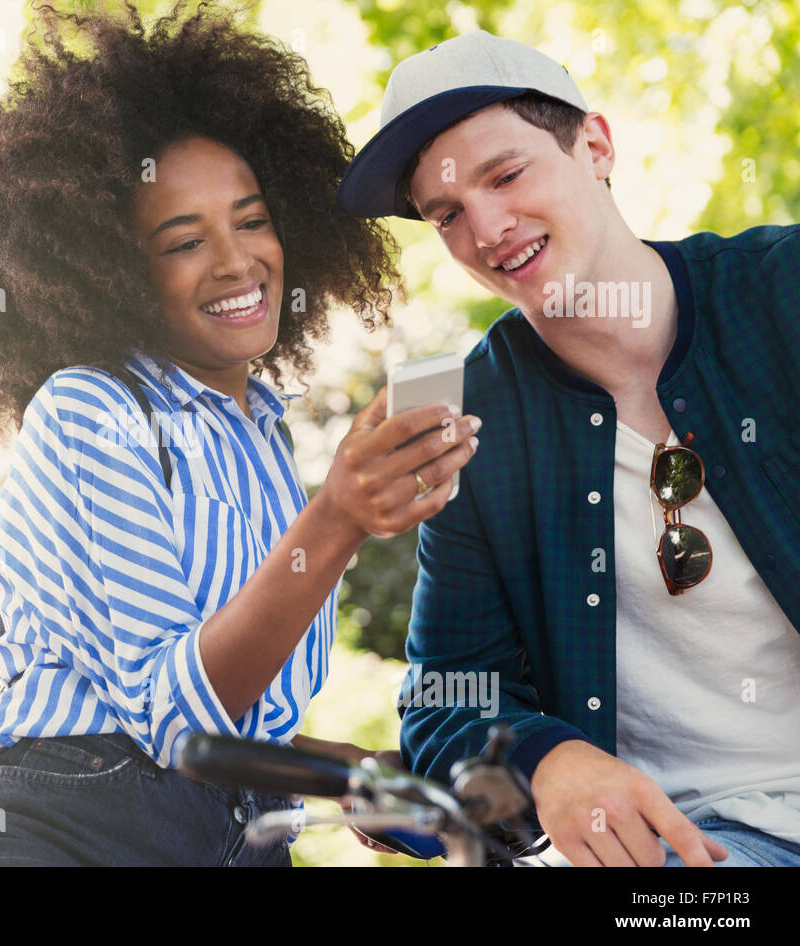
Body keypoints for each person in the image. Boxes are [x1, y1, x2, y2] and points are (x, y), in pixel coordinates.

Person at [0, 1, 480, 866]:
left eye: (252, 220)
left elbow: (232, 734)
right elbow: (175, 727)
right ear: (114, 270)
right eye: (183, 241)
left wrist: (365, 780)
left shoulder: (262, 443)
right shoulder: (90, 414)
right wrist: (339, 519)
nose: (236, 262)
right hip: (53, 830)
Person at [338, 30, 800, 866]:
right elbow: (447, 692)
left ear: (595, 146)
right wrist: (546, 757)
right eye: (446, 215)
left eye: (506, 175)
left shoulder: (782, 291)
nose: (487, 227)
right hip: (679, 850)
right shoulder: (463, 416)